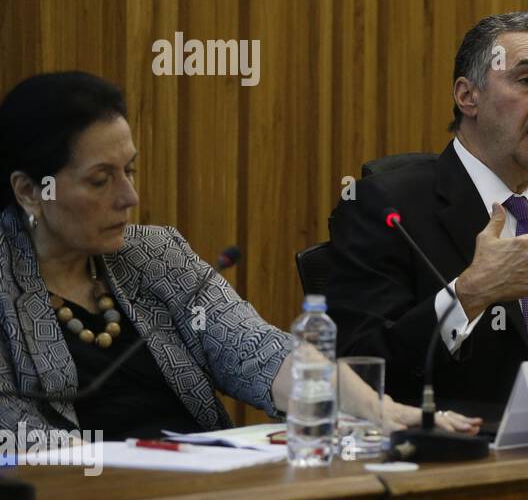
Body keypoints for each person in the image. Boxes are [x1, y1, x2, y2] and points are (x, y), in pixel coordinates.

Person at [0, 71, 478, 439]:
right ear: (28, 190)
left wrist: (382, 412)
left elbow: (261, 353)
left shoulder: (154, 255)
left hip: (200, 494)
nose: (129, 197)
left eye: (131, 170)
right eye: (101, 180)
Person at [327, 12, 528, 410]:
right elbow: (361, 370)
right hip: (469, 451)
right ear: (468, 96)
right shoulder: (386, 208)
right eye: (527, 80)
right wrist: (468, 295)